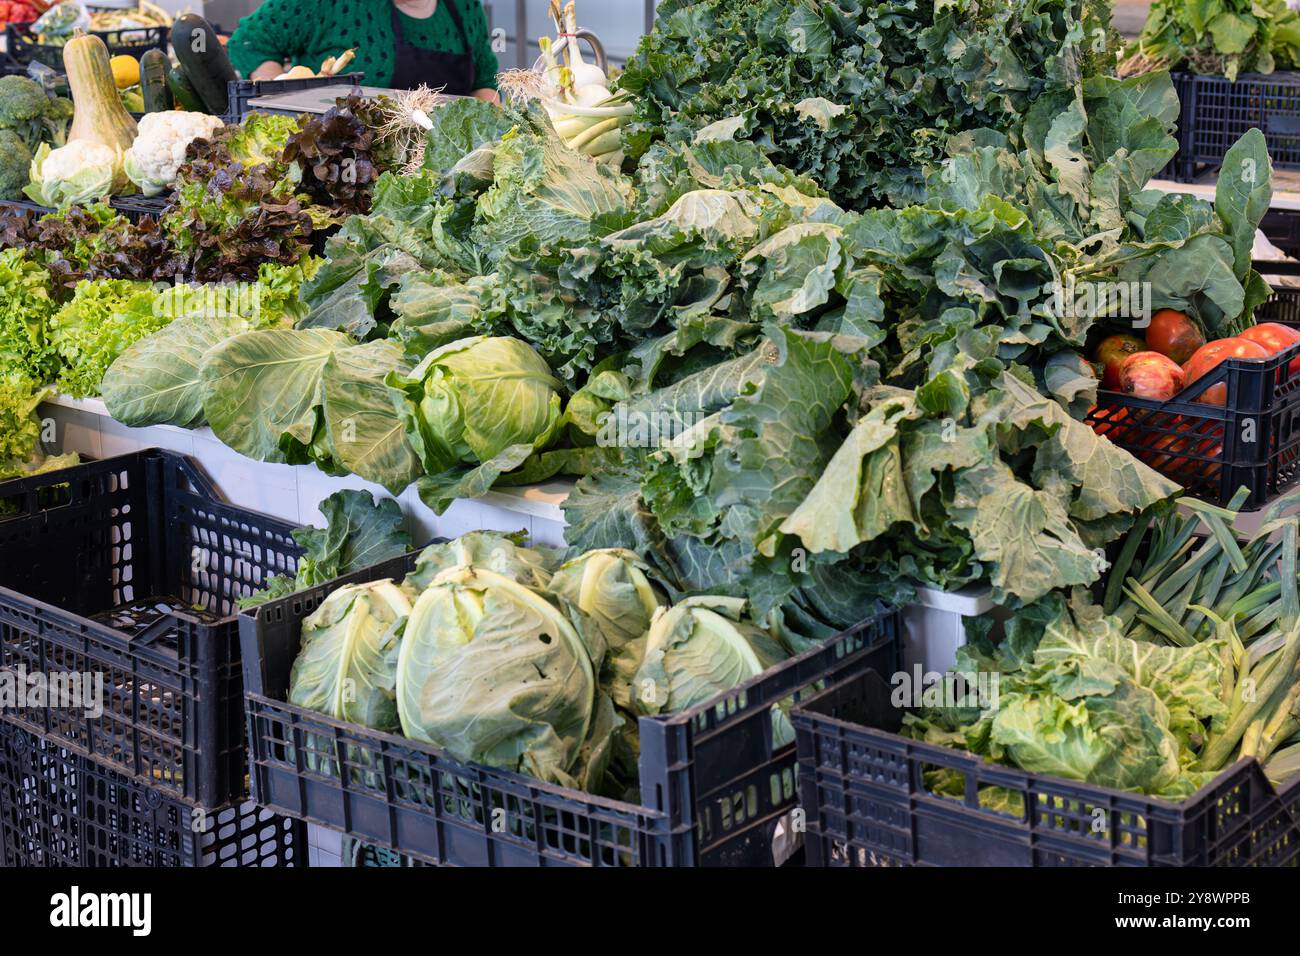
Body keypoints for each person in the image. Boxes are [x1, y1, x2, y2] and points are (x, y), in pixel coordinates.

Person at [227, 0, 500, 99]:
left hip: (443, 179)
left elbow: (484, 84)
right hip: (346, 177)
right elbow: (251, 41)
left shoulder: (465, 6)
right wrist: (281, 95)